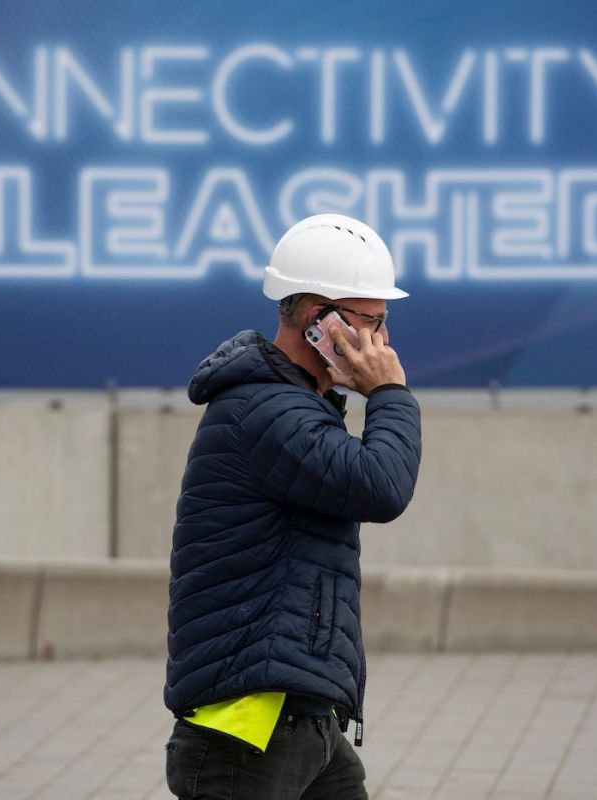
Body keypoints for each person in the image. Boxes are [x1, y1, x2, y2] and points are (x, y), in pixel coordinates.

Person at [163, 214, 423, 798]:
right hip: (247, 733)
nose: (381, 342)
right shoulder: (268, 412)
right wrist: (389, 392)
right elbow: (381, 485)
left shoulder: (296, 407)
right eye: (371, 323)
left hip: (300, 720)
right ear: (316, 322)